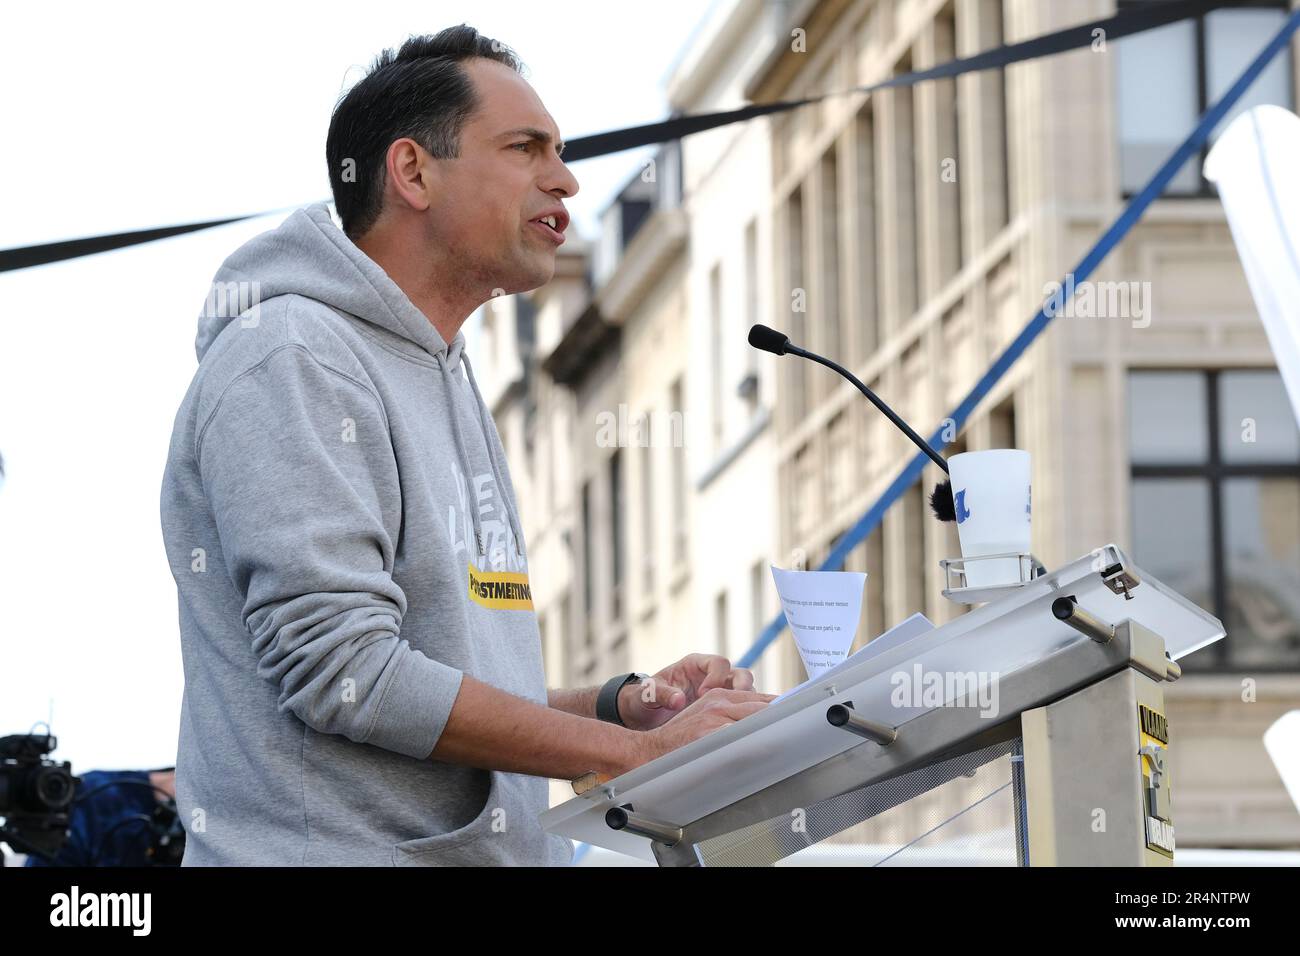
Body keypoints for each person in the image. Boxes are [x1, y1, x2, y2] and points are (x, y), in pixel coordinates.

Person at [160, 24, 774, 867]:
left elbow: (423, 676)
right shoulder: (293, 355)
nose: (563, 178)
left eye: (558, 151)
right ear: (412, 171)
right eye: (525, 148)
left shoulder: (439, 364)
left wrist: (615, 708)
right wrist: (637, 759)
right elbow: (345, 673)